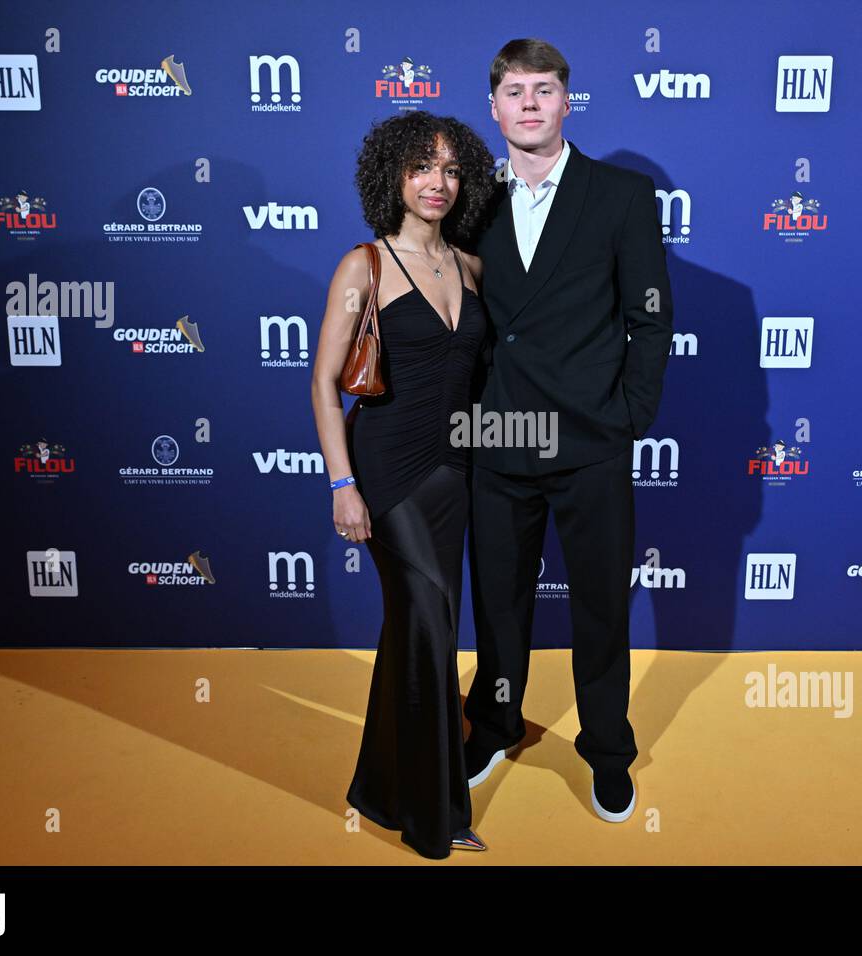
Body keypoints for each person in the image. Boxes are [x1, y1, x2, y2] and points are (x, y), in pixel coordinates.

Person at [463, 39, 673, 822]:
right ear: (494, 106)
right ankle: (492, 724)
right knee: (499, 607)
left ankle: (608, 751)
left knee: (599, 611)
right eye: (514, 90)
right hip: (499, 438)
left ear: (566, 101)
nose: (528, 102)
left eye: (543, 89)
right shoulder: (469, 203)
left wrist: (627, 418)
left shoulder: (620, 194)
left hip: (591, 442)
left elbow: (650, 320)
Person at [310, 112, 495, 858]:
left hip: (459, 469)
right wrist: (342, 484)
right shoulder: (366, 266)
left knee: (421, 632)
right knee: (428, 621)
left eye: (451, 170)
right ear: (393, 174)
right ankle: (434, 816)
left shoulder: (472, 267)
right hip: (387, 470)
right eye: (423, 167)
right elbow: (325, 385)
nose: (437, 183)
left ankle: (380, 788)